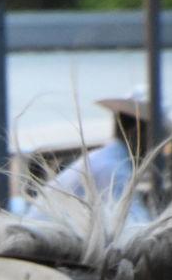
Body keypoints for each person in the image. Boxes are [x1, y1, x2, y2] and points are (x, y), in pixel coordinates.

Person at [51, 87, 163, 224]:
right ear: (138, 133)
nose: (161, 147)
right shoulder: (114, 171)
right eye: (159, 136)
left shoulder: (103, 159)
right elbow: (136, 226)